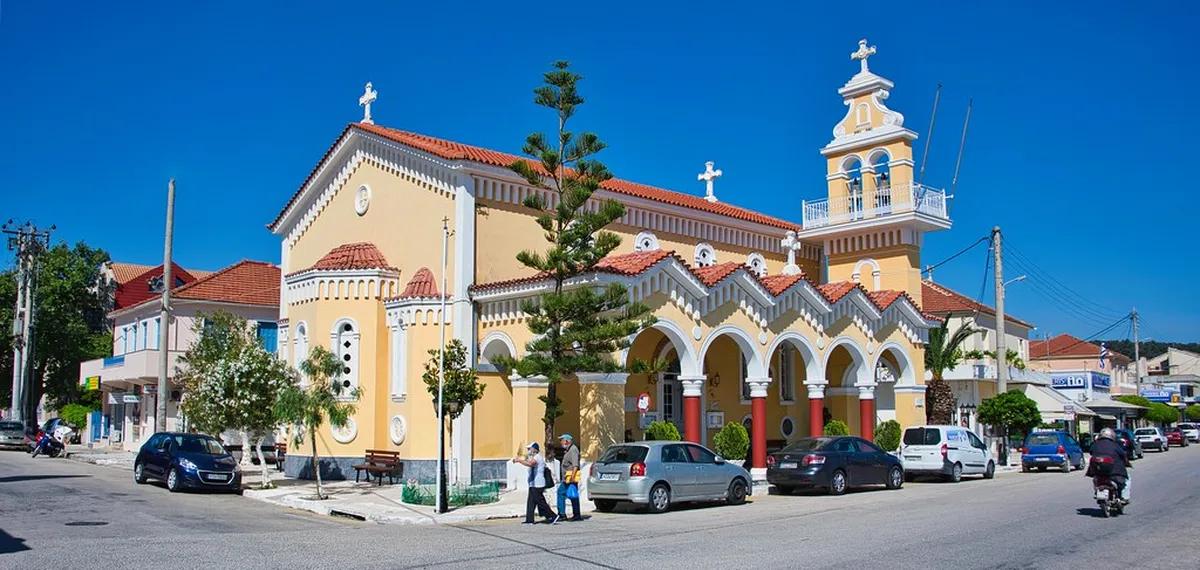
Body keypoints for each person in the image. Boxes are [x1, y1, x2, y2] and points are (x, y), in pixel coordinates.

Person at [513, 442, 557, 524]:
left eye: (529, 448)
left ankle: (552, 516)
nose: (528, 450)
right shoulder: (534, 457)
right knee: (531, 502)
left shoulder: (537, 457)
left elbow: (530, 464)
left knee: (540, 501)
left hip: (538, 484)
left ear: (534, 449)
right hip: (533, 483)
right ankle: (529, 520)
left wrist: (519, 461)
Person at [1088, 427, 1132, 503]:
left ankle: (1098, 492)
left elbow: (1091, 451)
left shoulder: (1095, 444)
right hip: (1114, 472)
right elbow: (1122, 454)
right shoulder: (1115, 445)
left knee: (1095, 480)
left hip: (1098, 472)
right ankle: (1124, 497)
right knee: (1127, 479)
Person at [556, 434, 582, 521]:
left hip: (570, 478)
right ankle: (576, 514)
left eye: (562, 440)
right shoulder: (568, 450)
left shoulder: (573, 450)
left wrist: (572, 477)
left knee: (562, 493)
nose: (561, 443)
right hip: (567, 477)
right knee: (572, 495)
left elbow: (575, 465)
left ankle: (562, 514)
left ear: (567, 441)